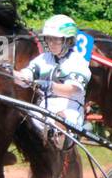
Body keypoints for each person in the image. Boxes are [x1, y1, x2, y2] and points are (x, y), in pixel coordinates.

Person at [14, 14, 90, 149]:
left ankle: (60, 140)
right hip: (42, 110)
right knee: (15, 117)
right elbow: (25, 77)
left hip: (69, 111)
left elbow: (72, 89)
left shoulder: (78, 61)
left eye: (56, 39)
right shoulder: (43, 59)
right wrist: (11, 73)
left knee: (59, 119)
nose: (51, 43)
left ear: (68, 40)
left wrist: (49, 85)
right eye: (49, 39)